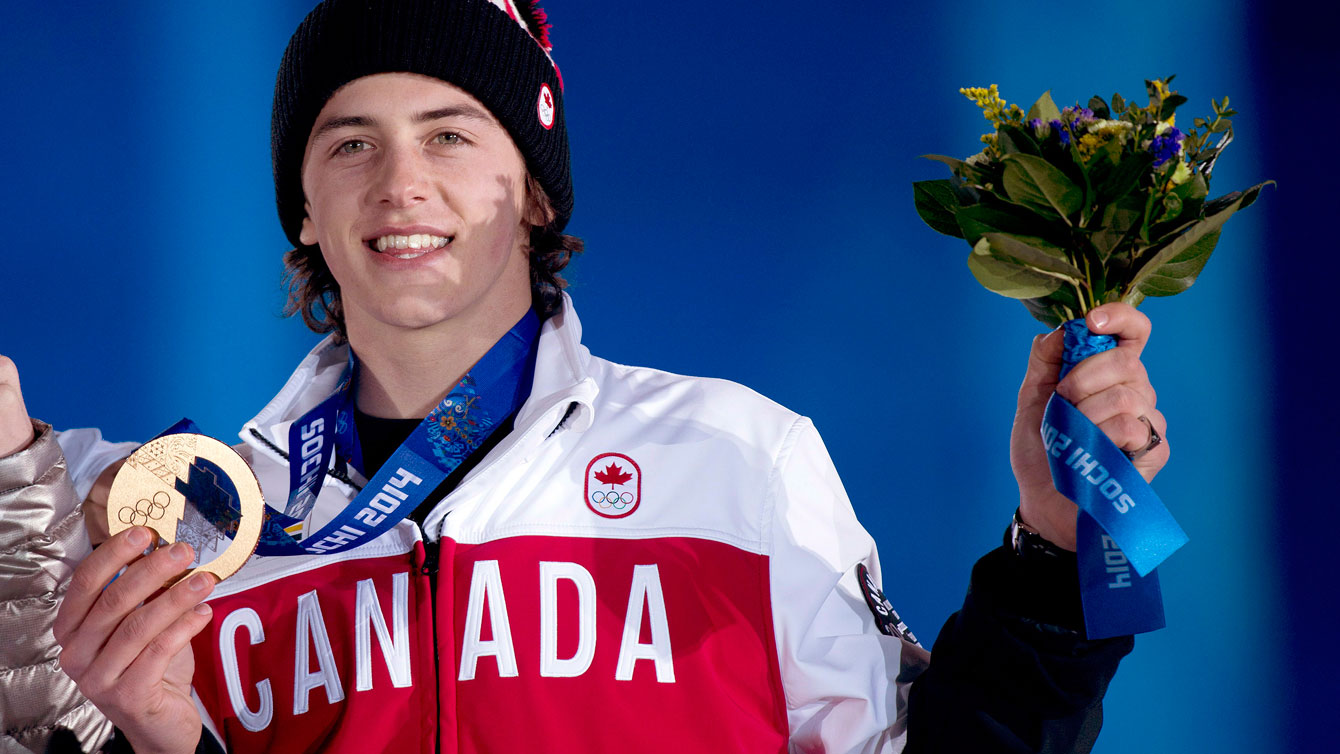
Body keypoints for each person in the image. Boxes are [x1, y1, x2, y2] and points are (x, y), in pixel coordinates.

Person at [0, 0, 1169, 751]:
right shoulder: (174, 535)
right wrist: (162, 741)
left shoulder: (735, 456)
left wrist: (1058, 559)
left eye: (452, 133)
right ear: (303, 210)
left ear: (539, 191)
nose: (399, 181)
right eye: (348, 140)